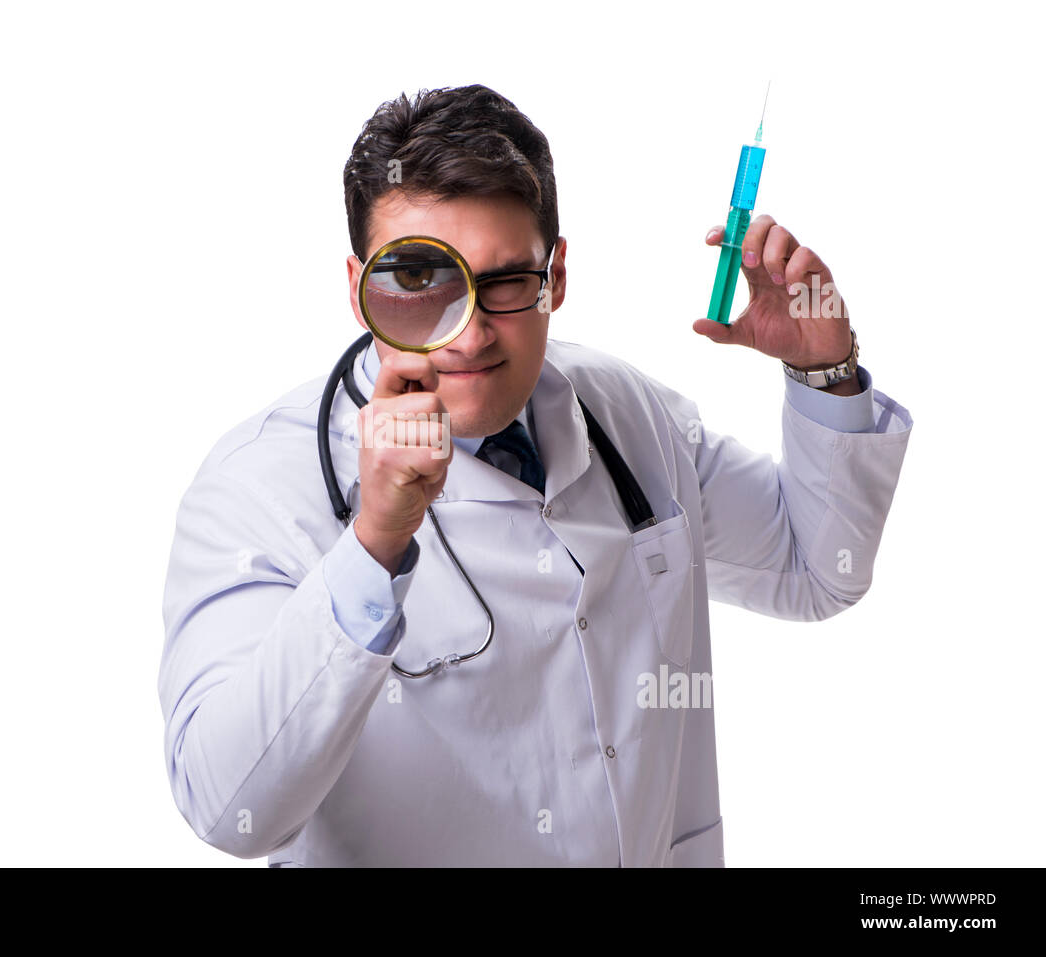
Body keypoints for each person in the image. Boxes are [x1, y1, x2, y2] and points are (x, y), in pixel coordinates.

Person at [157, 84, 913, 867]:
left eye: (506, 281)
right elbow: (227, 810)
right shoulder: (257, 490)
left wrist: (824, 367)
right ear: (359, 290)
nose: (469, 333)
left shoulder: (627, 414)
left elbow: (815, 568)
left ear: (556, 273)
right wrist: (373, 545)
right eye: (420, 280)